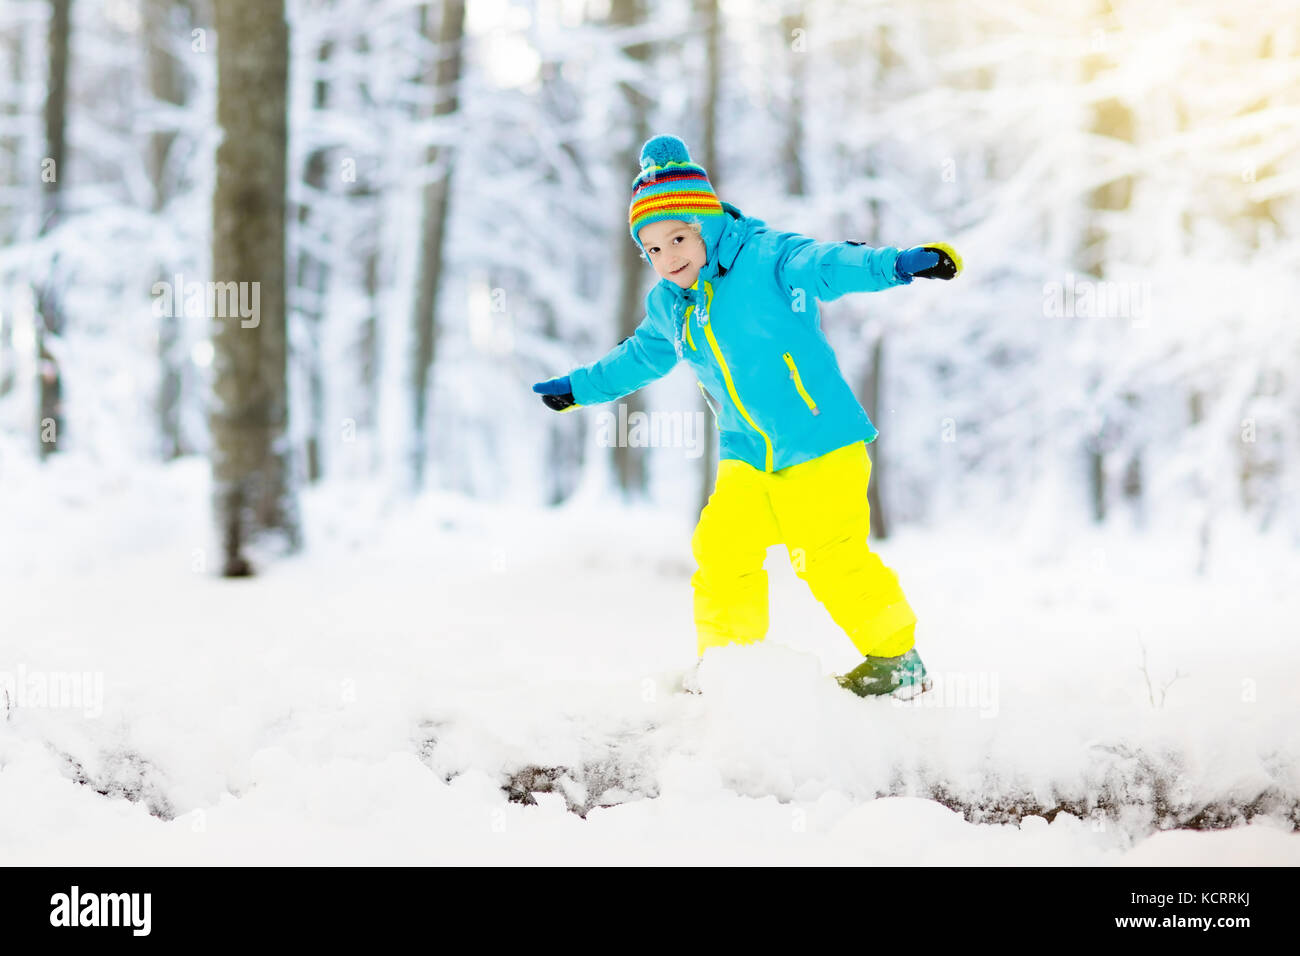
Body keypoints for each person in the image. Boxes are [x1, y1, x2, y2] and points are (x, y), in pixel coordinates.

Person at [533, 134, 962, 699]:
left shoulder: (766, 258)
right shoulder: (670, 304)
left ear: (707, 225)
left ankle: (896, 660)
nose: (669, 258)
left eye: (679, 237)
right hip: (746, 454)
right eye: (654, 250)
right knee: (722, 548)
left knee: (829, 556)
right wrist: (580, 387)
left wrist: (895, 265)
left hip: (819, 441)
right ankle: (728, 667)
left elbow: (826, 265)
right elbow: (639, 356)